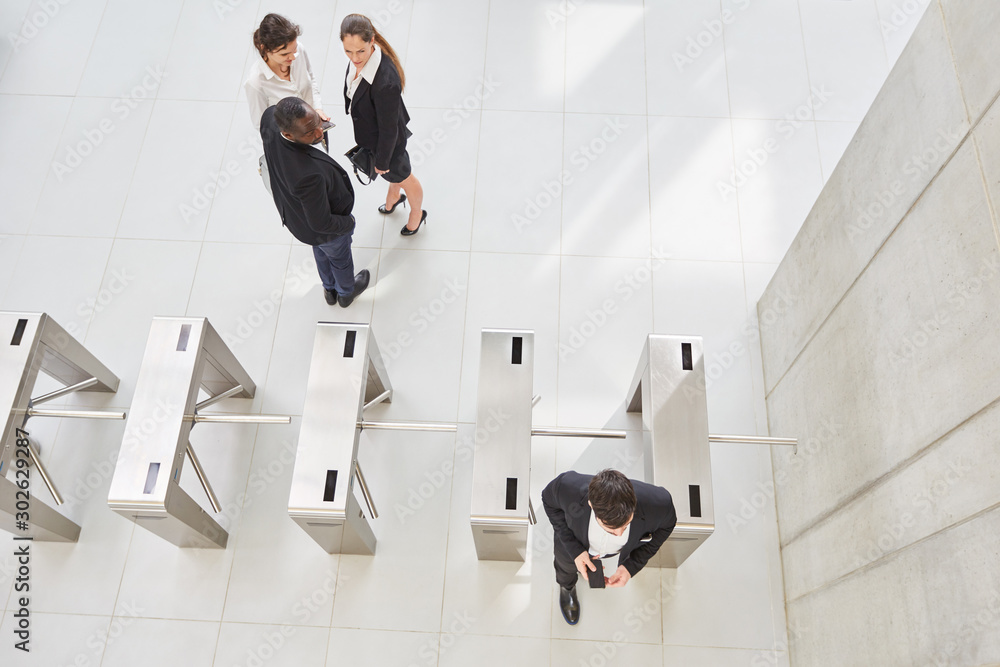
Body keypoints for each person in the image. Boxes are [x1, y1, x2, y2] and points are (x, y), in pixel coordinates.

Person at [261, 97, 369, 307]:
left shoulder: (269, 119)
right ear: (288, 134)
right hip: (325, 228)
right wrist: (349, 223)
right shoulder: (307, 175)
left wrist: (312, 123)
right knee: (340, 259)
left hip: (298, 219)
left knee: (320, 252)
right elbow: (322, 224)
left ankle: (329, 289)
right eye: (310, 132)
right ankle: (346, 293)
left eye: (317, 123)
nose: (320, 133)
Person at [541, 469, 677, 626]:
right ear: (591, 504)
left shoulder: (660, 503)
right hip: (571, 545)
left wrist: (631, 566)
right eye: (611, 529)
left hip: (609, 553)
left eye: (626, 525)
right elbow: (548, 501)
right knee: (565, 568)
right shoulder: (566, 487)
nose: (619, 534)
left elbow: (667, 526)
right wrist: (574, 550)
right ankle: (567, 588)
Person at [340, 14, 427, 236]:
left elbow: (390, 130)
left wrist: (382, 160)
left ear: (372, 41)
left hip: (387, 144)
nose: (354, 57)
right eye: (348, 51)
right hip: (377, 136)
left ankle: (417, 213)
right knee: (395, 176)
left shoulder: (384, 82)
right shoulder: (362, 60)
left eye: (360, 51)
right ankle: (394, 196)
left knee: (404, 176)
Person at [245, 14, 328, 132]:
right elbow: (262, 125)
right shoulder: (256, 83)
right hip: (290, 141)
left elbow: (311, 79)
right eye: (284, 54)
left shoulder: (299, 49)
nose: (293, 57)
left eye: (293, 50)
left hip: (316, 126)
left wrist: (318, 109)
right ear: (265, 49)